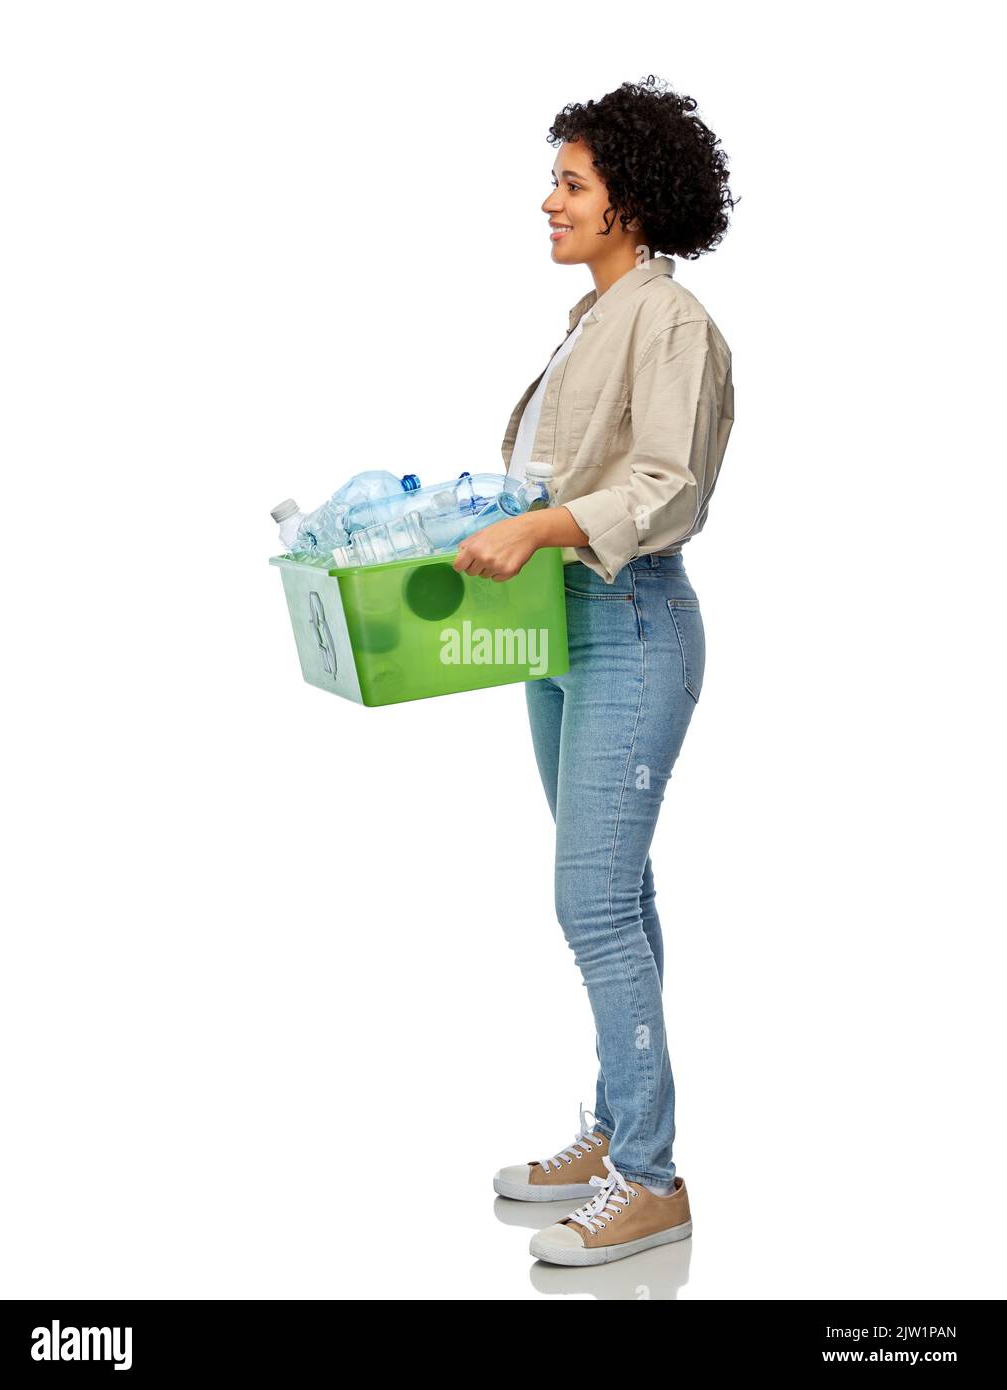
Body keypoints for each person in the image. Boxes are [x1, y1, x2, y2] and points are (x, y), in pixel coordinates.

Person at [452, 75, 737, 1267]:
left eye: (571, 184)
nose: (549, 203)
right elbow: (562, 473)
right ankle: (623, 1126)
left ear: (631, 203)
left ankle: (652, 1177)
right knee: (617, 896)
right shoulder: (595, 319)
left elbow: (668, 488)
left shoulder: (671, 323)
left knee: (593, 902)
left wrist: (544, 527)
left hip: (629, 623)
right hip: (565, 632)